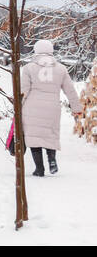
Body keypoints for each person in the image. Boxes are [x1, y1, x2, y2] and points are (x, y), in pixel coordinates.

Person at [21, 39, 83, 177]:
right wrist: (76, 107)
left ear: (36, 50)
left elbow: (23, 91)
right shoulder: (61, 68)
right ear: (51, 51)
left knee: (34, 137)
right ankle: (52, 160)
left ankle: (39, 169)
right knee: (50, 135)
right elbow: (70, 90)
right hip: (52, 108)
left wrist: (17, 106)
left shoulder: (29, 68)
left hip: (32, 107)